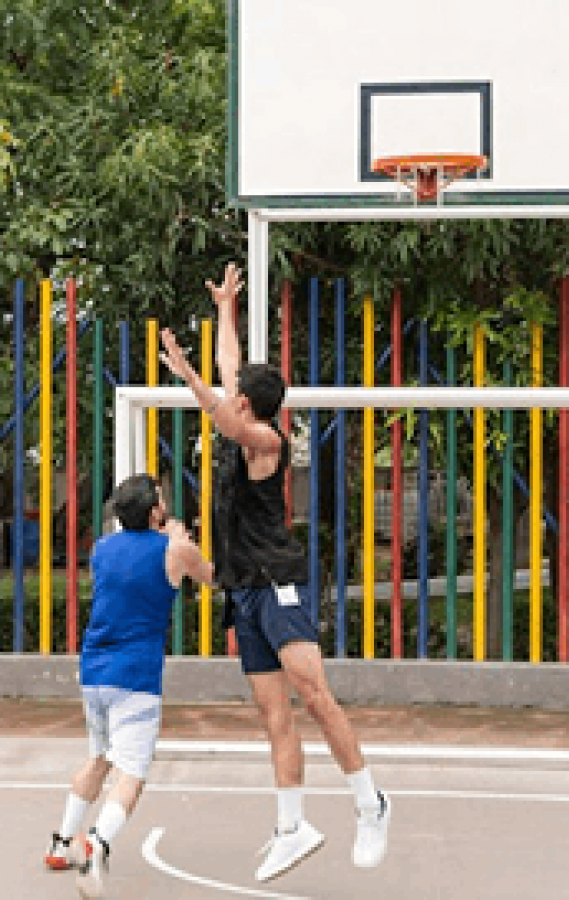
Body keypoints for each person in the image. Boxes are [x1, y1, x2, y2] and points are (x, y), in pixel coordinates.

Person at [156, 262, 391, 883]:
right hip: (246, 588)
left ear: (250, 407)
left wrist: (185, 376)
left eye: (234, 394)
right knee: (272, 711)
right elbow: (231, 374)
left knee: (313, 694)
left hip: (279, 580)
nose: (228, 393)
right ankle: (293, 827)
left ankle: (371, 804)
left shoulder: (267, 443)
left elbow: (223, 415)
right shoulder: (245, 415)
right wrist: (226, 310)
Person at [44, 473, 215, 899]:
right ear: (156, 509)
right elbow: (211, 577)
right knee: (132, 773)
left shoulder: (102, 550)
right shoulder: (174, 550)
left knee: (99, 756)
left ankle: (62, 842)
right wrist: (178, 536)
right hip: (135, 676)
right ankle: (98, 845)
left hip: (95, 670)